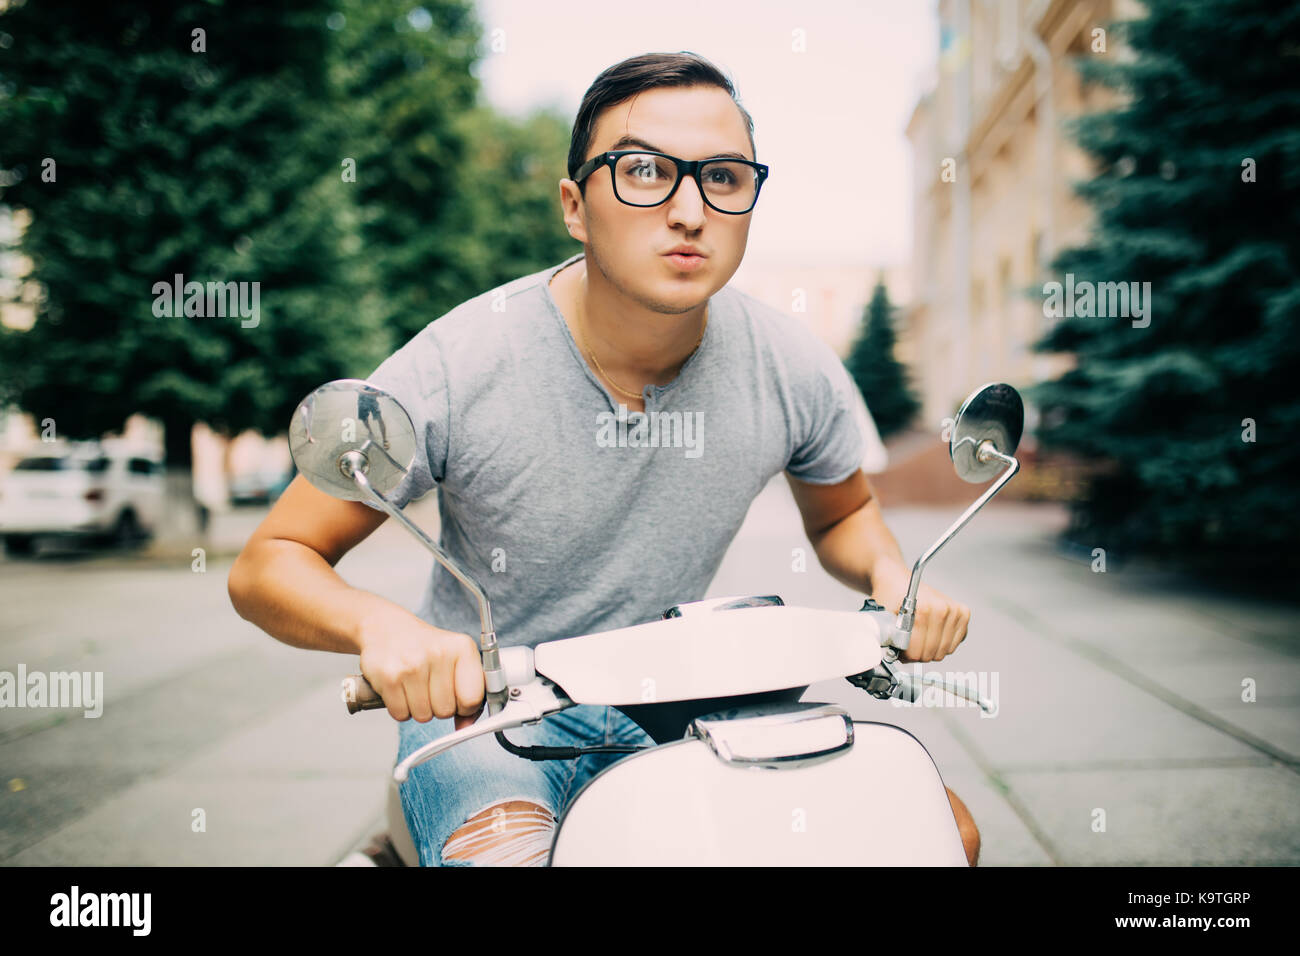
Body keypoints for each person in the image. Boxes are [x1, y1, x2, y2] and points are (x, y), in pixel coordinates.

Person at [227, 51, 979, 867]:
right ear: (575, 206)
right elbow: (271, 560)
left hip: (681, 686)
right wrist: (383, 627)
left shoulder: (791, 363)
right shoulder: (456, 362)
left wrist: (892, 578)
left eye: (723, 178)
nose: (690, 210)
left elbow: (844, 514)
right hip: (485, 707)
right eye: (646, 172)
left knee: (933, 833)